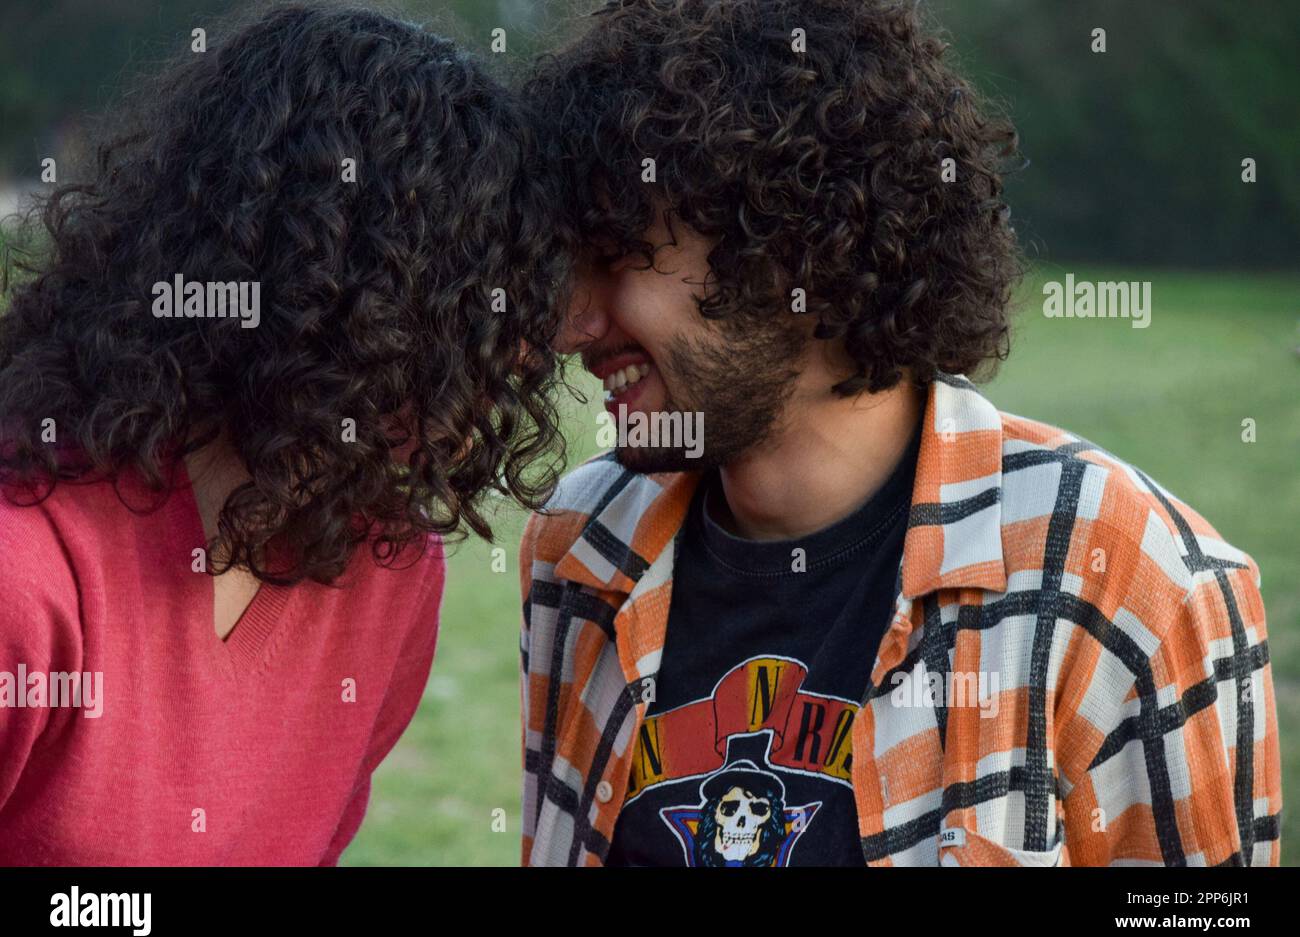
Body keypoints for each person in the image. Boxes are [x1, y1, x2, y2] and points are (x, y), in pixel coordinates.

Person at [517, 0, 1280, 866]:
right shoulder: (580, 544)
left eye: (617, 258)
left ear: (792, 250)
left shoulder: (1124, 576)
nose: (572, 325)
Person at [0, 4, 568, 864]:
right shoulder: (27, 572)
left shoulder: (387, 572)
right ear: (338, 296)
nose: (520, 349)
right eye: (477, 297)